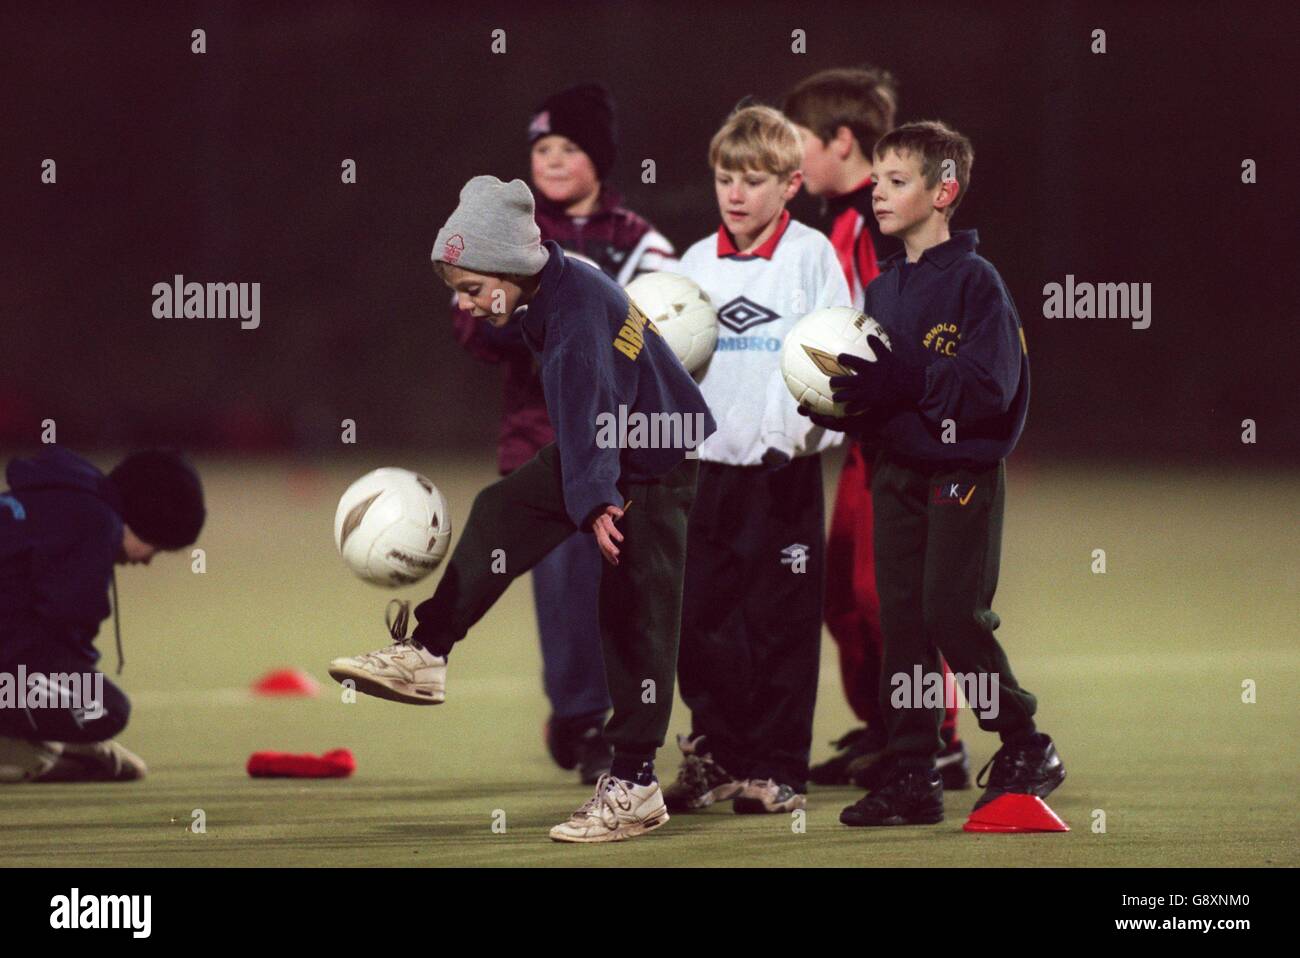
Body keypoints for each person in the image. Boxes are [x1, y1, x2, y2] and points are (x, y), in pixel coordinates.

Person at [330, 175, 715, 842]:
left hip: (653, 464)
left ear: (510, 265)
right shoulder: (552, 285)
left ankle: (635, 783)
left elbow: (591, 405)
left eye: (473, 289)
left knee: (633, 615)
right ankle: (428, 650)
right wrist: (590, 485)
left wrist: (595, 503)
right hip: (615, 449)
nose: (469, 304)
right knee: (501, 509)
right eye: (459, 293)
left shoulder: (572, 315)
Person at [799, 121, 1064, 826]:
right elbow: (890, 394)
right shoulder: (884, 291)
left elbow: (990, 388)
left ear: (943, 191)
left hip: (961, 473)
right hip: (898, 474)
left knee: (951, 611)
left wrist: (906, 377)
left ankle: (1024, 740)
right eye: (877, 180)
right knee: (903, 626)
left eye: (896, 181)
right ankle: (912, 770)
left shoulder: (977, 283)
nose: (878, 193)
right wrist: (846, 410)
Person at [451, 83, 676, 784]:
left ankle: (617, 721)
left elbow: (667, 332)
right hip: (538, 443)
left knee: (624, 584)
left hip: (620, 444)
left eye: (568, 146)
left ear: (600, 160)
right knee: (559, 583)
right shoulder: (513, 239)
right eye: (541, 146)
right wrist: (534, 310)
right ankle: (579, 721)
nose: (551, 159)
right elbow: (472, 330)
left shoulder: (639, 241)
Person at [783, 67, 969, 790]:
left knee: (881, 593)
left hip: (904, 436)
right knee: (843, 596)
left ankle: (940, 736)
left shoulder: (882, 219)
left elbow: (905, 323)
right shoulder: (840, 218)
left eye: (801, 141)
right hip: (868, 436)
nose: (793, 159)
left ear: (841, 140)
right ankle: (885, 726)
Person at [662, 105, 850, 815]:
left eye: (752, 179)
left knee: (780, 619)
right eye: (723, 178)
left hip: (783, 476)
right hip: (706, 472)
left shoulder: (811, 257)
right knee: (702, 618)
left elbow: (840, 363)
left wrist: (793, 439)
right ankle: (717, 754)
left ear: (791, 184)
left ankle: (777, 768)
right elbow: (665, 366)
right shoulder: (693, 264)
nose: (735, 193)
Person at [0, 447, 205, 783]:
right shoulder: (96, 523)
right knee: (104, 708)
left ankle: (40, 745)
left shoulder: (62, 496)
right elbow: (68, 624)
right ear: (146, 519)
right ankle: (27, 750)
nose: (149, 560)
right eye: (158, 546)